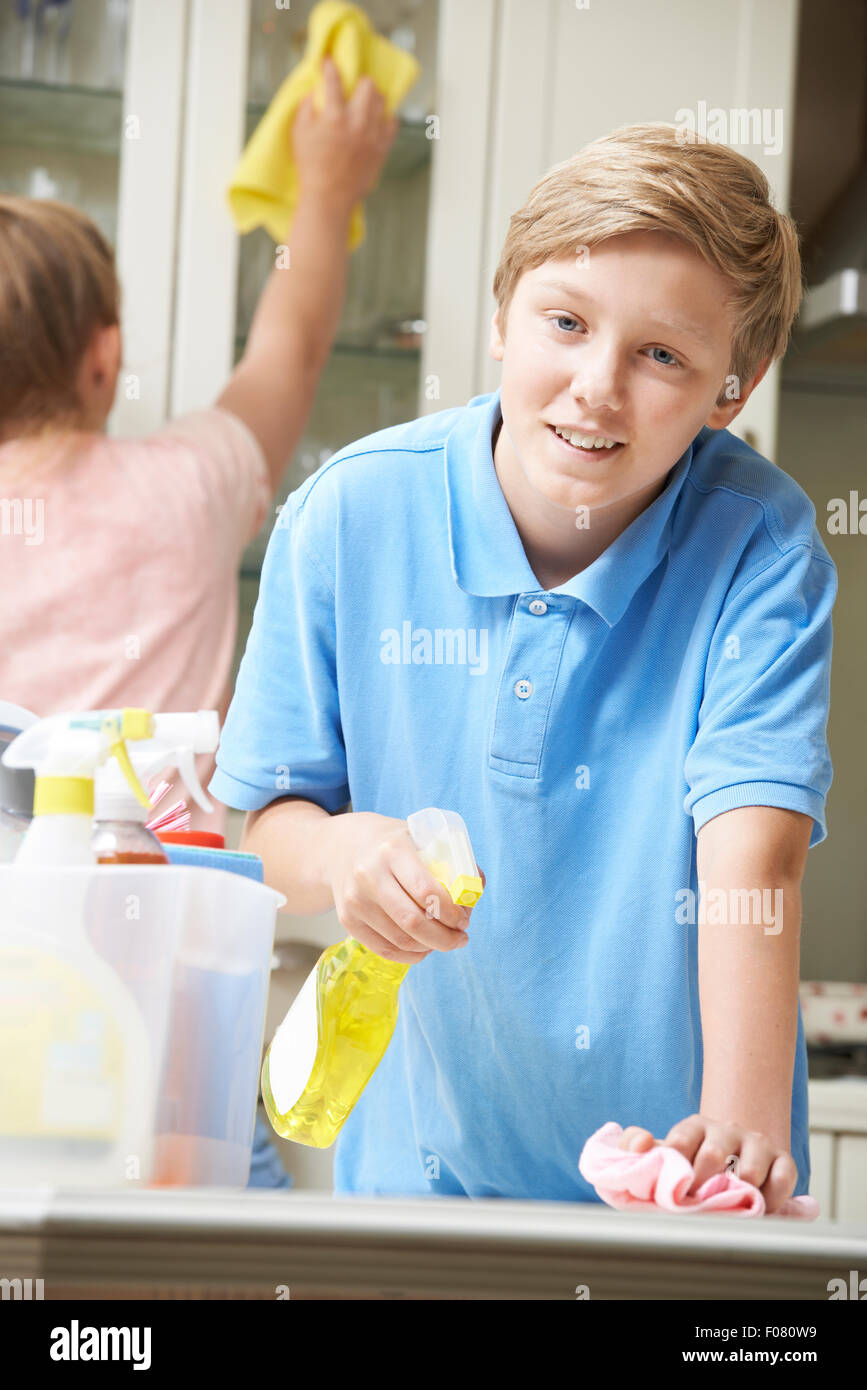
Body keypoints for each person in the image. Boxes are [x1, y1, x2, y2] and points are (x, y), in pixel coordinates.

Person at [209, 123, 836, 1212]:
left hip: (677, 1195)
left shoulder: (761, 547)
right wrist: (342, 848)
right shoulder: (350, 516)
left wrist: (739, 1126)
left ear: (732, 388)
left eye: (662, 355)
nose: (597, 386)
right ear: (502, 317)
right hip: (422, 1194)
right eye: (567, 322)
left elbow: (757, 850)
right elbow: (265, 831)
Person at [0, 56, 398, 1187]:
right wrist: (325, 189)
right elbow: (294, 347)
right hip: (171, 1013)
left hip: (13, 1011)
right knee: (202, 1244)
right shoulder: (189, 487)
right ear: (104, 359)